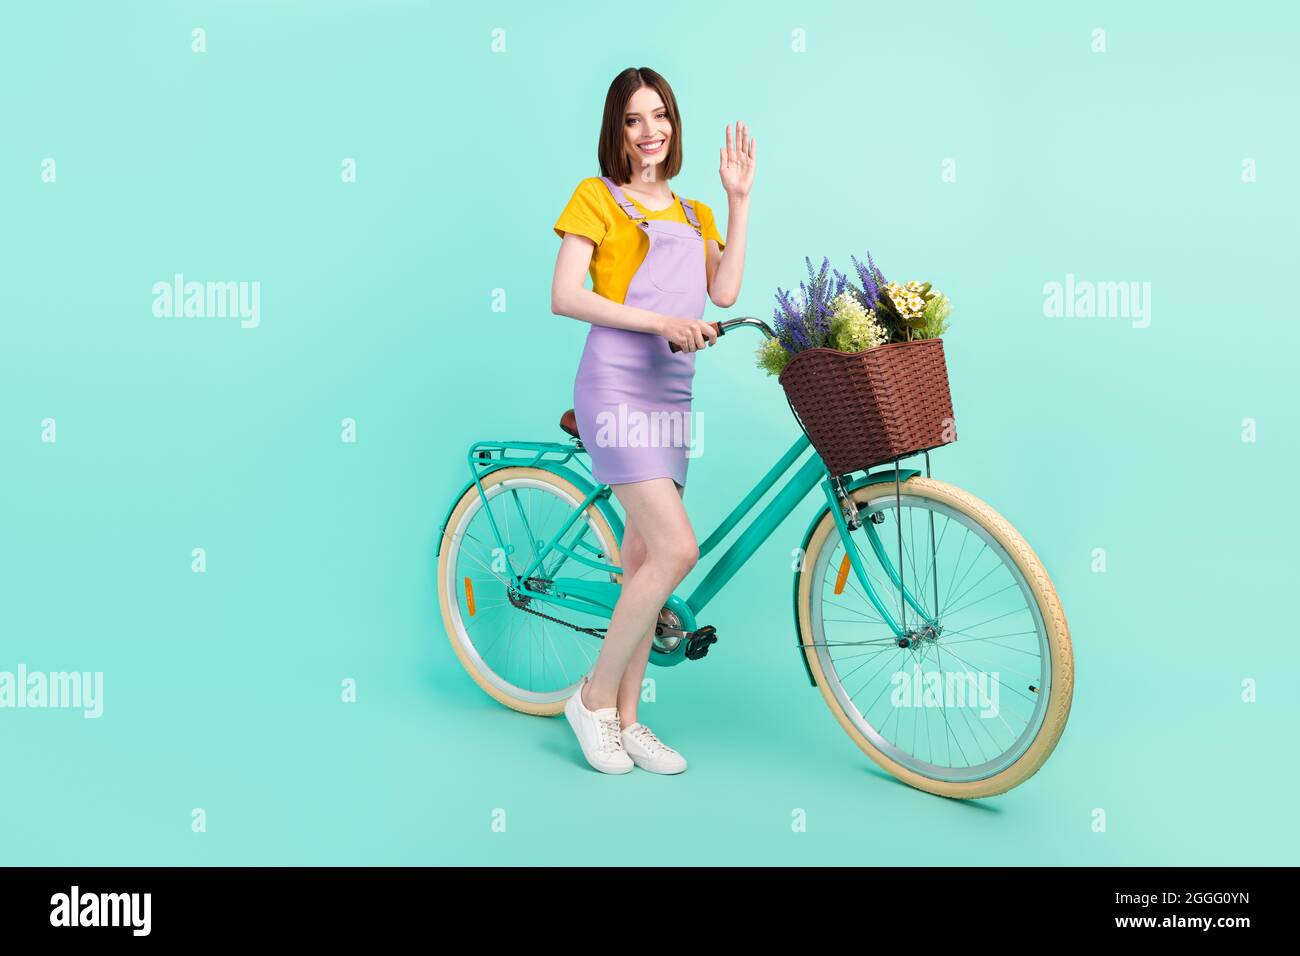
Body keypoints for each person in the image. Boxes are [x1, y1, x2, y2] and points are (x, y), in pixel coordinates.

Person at [549, 66, 755, 774]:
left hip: (673, 391)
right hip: (615, 384)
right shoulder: (597, 198)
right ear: (617, 130)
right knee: (675, 551)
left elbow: (723, 291)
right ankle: (592, 698)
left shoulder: (696, 213)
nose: (650, 131)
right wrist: (661, 319)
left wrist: (738, 201)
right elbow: (565, 295)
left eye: (660, 115)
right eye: (634, 119)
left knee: (643, 562)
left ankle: (629, 720)